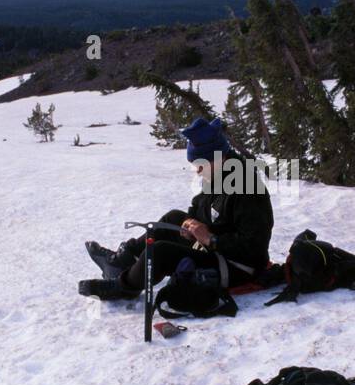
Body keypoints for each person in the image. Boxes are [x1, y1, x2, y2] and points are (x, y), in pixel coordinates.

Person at [79, 117, 274, 300]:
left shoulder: (248, 189)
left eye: (201, 164)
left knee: (160, 252)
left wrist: (211, 239)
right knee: (174, 218)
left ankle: (125, 287)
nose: (197, 171)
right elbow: (203, 210)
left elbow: (254, 249)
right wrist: (191, 223)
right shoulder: (218, 177)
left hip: (237, 266)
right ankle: (122, 261)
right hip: (214, 248)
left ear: (220, 156)